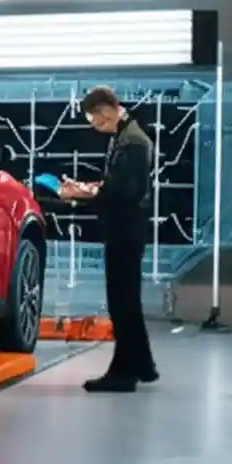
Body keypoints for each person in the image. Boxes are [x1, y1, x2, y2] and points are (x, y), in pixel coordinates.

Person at [59, 86, 159, 392]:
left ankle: (124, 373)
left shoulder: (132, 142)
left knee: (122, 301)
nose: (96, 127)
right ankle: (142, 365)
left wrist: (85, 194)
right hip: (127, 227)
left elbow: (126, 192)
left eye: (96, 120)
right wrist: (92, 188)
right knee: (127, 299)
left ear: (107, 111)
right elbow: (121, 184)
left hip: (125, 229)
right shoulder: (128, 137)